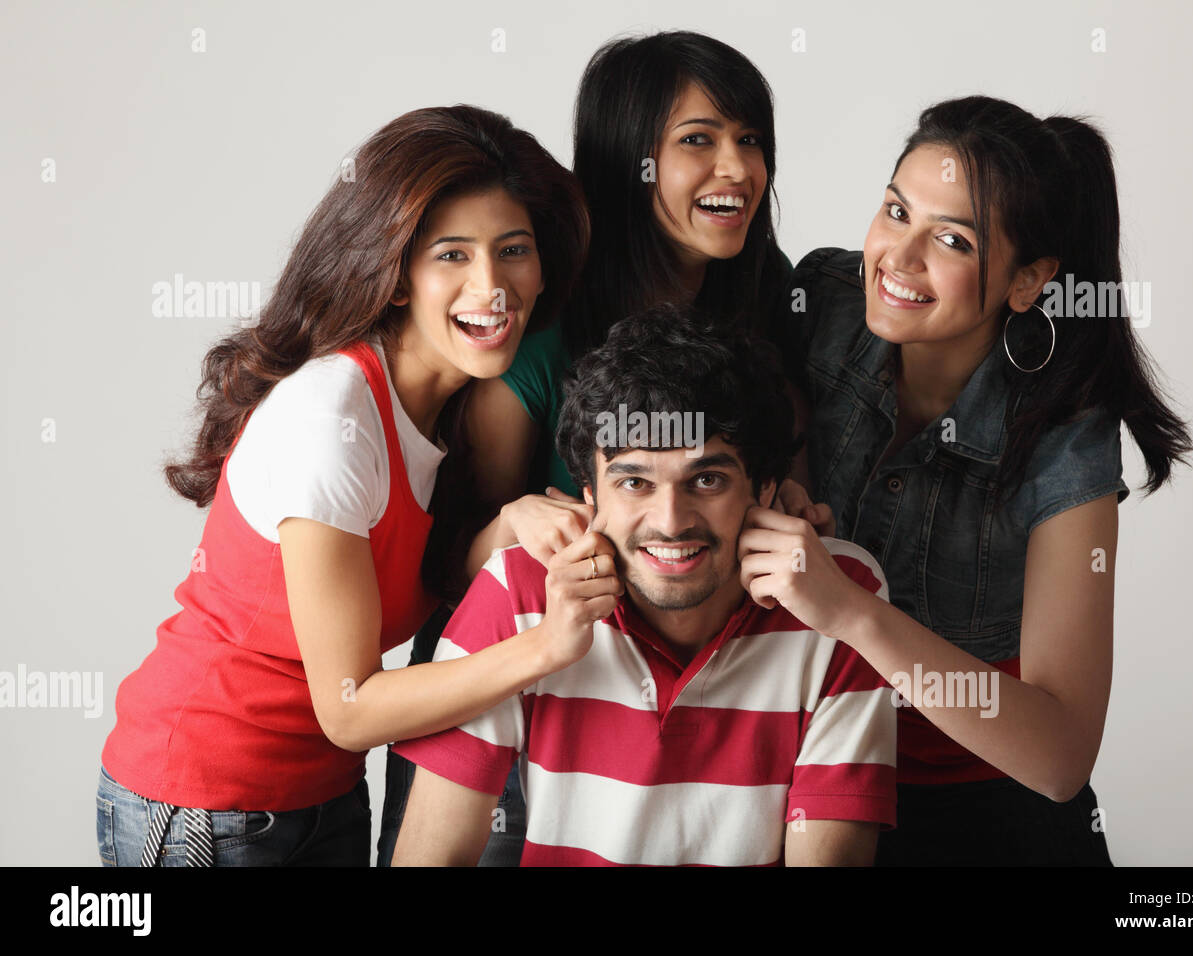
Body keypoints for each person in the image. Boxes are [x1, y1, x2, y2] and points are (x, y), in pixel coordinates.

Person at [96, 105, 589, 866]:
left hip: (323, 794)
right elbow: (351, 709)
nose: (492, 286)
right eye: (452, 256)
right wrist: (544, 649)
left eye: (512, 250)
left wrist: (509, 525)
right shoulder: (332, 414)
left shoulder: (447, 408)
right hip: (203, 801)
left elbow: (414, 571)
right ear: (394, 277)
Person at [376, 30, 805, 866]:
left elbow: (789, 502)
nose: (737, 168)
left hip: (694, 708)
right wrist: (513, 524)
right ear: (628, 159)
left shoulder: (769, 315)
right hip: (515, 698)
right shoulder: (541, 340)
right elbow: (446, 574)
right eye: (698, 141)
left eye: (751, 140)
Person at [769, 95, 1193, 864]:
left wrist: (852, 611)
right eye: (896, 211)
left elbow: (1061, 757)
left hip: (982, 808)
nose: (898, 258)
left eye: (953, 240)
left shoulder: (1065, 436)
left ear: (1028, 281)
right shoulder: (819, 305)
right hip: (808, 783)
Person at [390, 308, 896, 866]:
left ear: (767, 490)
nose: (671, 520)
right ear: (589, 496)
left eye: (707, 480)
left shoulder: (839, 597)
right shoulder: (519, 590)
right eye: (634, 482)